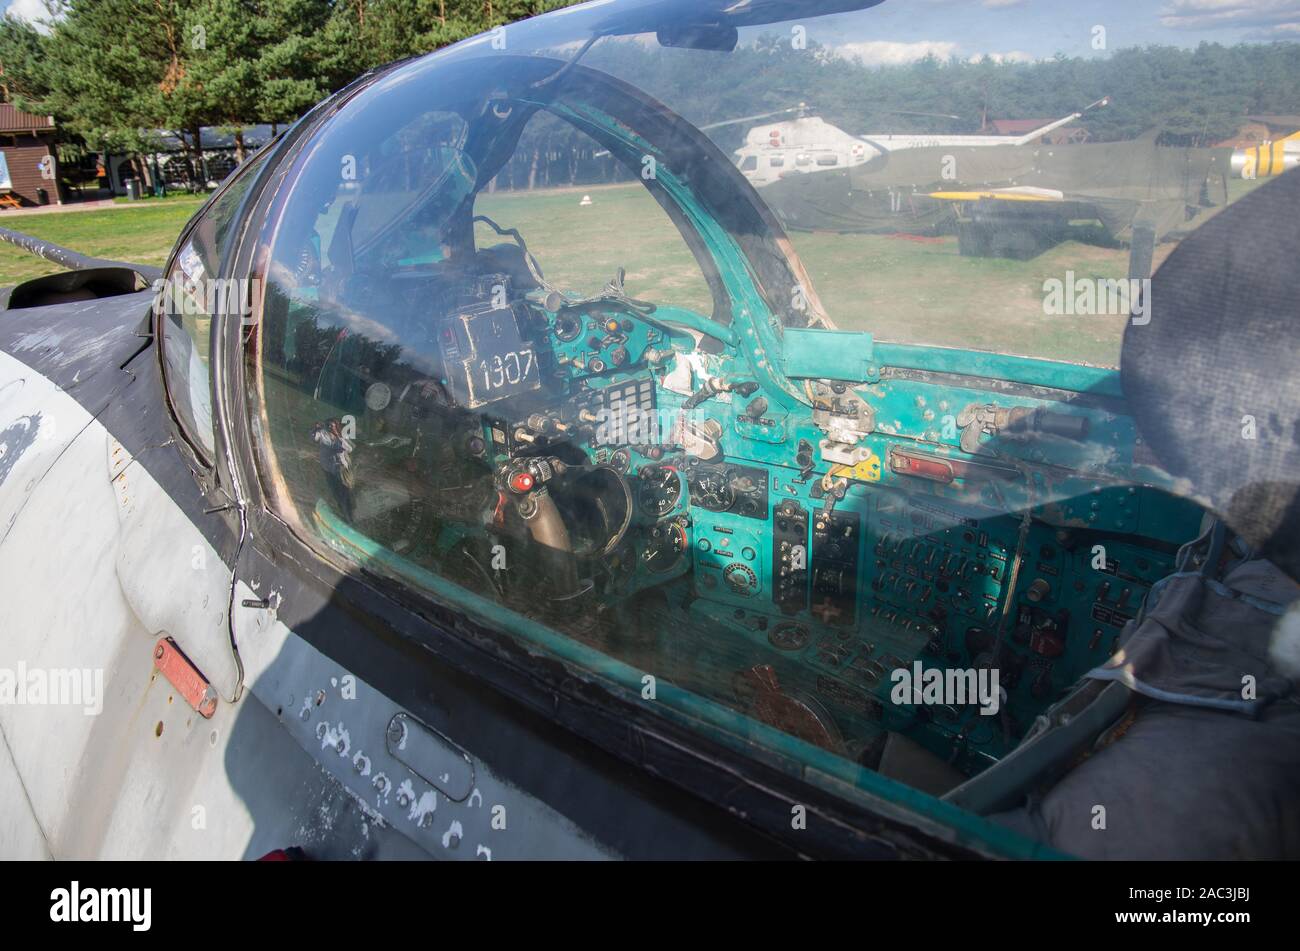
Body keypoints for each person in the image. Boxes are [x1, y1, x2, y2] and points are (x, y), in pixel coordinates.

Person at [311, 418, 354, 521]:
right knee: (335, 491)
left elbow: (349, 448)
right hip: (328, 469)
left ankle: (348, 515)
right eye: (331, 426)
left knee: (344, 493)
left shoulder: (341, 439)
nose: (333, 428)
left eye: (335, 426)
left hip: (339, 470)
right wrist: (316, 428)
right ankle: (343, 510)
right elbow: (314, 437)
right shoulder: (324, 436)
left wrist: (338, 436)